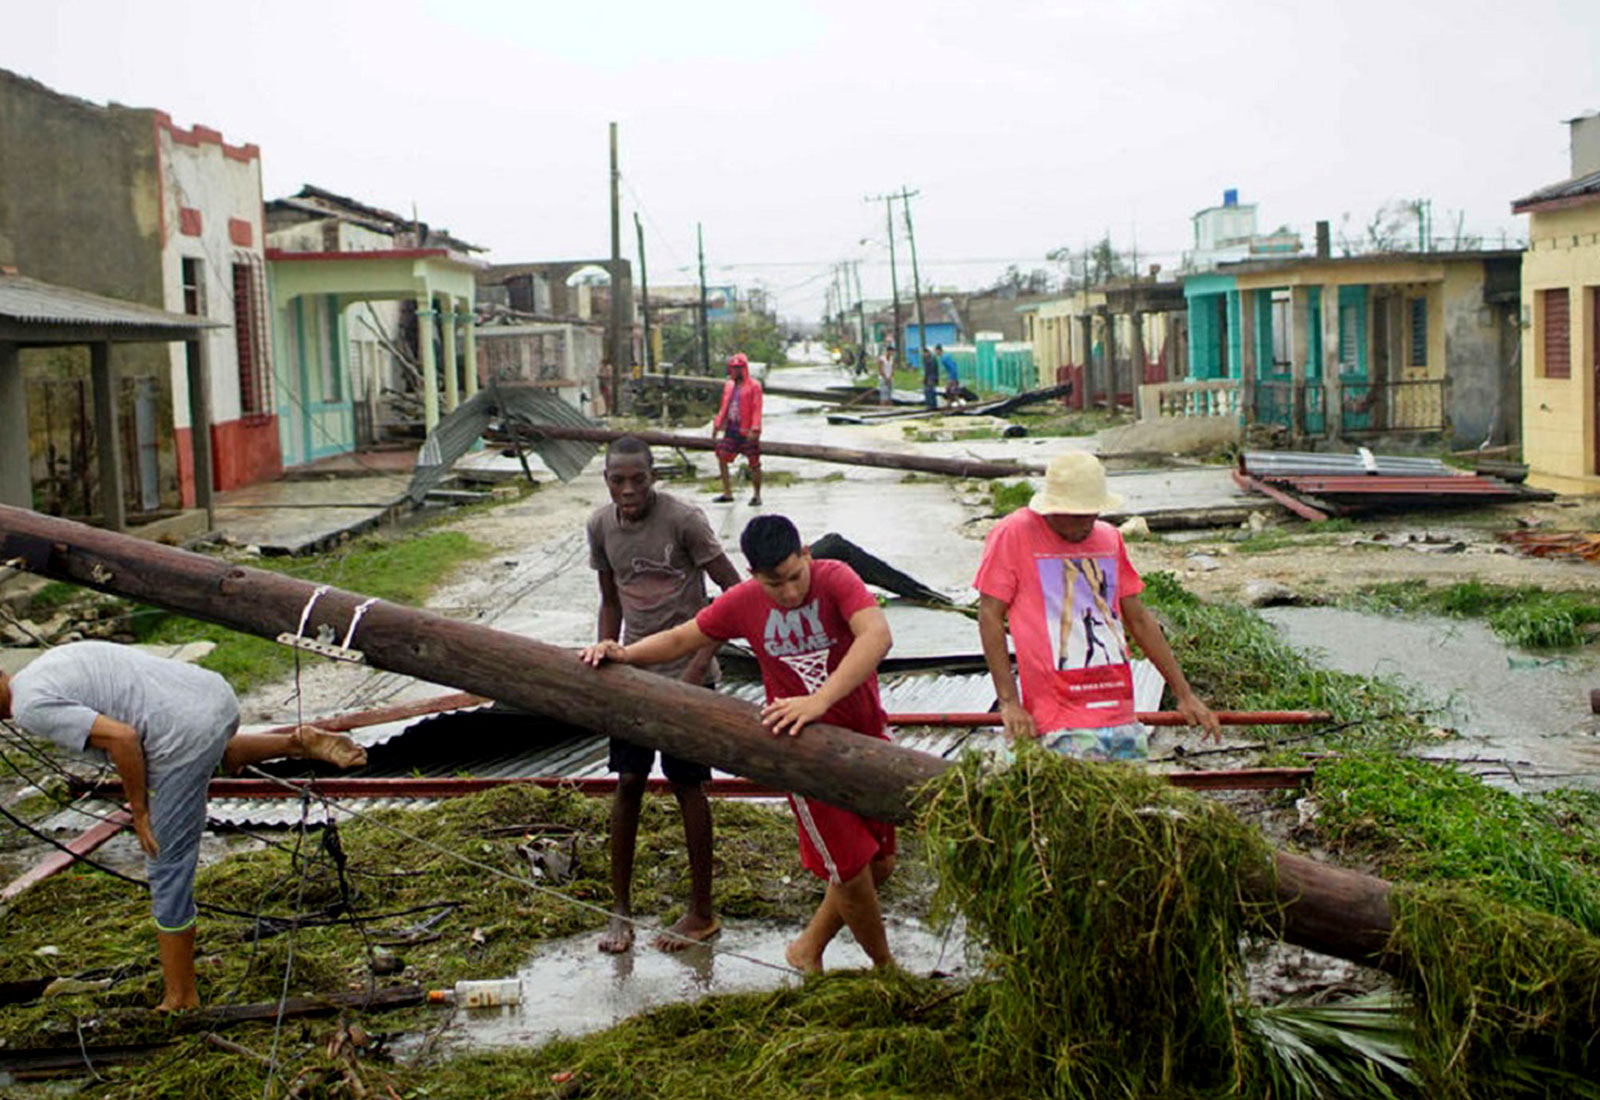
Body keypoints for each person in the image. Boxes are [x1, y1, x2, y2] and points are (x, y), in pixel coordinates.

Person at [581, 515, 896, 974]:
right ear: (752, 576)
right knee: (849, 872)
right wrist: (625, 653)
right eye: (774, 584)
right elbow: (684, 637)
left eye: (794, 577)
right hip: (801, 753)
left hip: (868, 739)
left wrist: (820, 699)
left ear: (806, 554)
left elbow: (877, 635)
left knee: (881, 864)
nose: (788, 593)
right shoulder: (744, 602)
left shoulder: (836, 578)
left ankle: (806, 948)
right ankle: (886, 971)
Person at [0, 642, 367, 1012]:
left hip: (184, 732)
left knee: (165, 863)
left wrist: (140, 811)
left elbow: (122, 738)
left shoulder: (29, 707)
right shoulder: (47, 663)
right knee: (196, 758)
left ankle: (181, 996)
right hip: (212, 695)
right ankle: (295, 744)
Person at [587, 436, 741, 954]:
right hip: (634, 674)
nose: (628, 490)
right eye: (618, 480)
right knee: (628, 781)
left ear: (653, 476)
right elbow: (610, 599)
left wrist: (698, 667)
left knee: (688, 785)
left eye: (638, 479)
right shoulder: (601, 526)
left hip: (688, 675)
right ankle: (620, 909)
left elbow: (734, 597)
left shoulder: (684, 521)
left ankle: (702, 911)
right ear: (607, 480)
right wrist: (607, 645)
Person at [974, 452, 1221, 761]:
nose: (1086, 524)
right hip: (1055, 717)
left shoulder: (1109, 538)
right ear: (1052, 508)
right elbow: (990, 616)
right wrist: (1009, 701)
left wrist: (1184, 694)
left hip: (1116, 711)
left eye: (1092, 514)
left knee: (1126, 802)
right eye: (1076, 516)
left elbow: (1139, 620)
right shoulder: (1014, 534)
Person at [712, 352, 764, 506]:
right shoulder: (729, 386)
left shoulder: (754, 386)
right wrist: (717, 425)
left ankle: (757, 495)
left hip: (748, 431)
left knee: (754, 462)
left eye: (739, 368)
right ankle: (727, 492)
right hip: (732, 430)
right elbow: (724, 407)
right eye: (734, 368)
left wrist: (755, 429)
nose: (736, 371)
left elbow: (757, 408)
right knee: (722, 456)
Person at [919, 345, 939, 410]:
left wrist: (932, 378)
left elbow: (932, 370)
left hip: (931, 377)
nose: (924, 354)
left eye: (925, 353)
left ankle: (932, 405)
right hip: (928, 377)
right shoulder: (925, 359)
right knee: (928, 391)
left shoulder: (931, 359)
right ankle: (930, 404)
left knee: (930, 391)